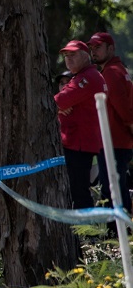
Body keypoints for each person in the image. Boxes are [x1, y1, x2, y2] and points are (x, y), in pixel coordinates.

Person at [55, 39, 109, 214]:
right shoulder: (82, 76)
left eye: (73, 55)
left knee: (79, 192)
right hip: (77, 142)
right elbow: (60, 103)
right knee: (77, 191)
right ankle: (85, 234)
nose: (68, 59)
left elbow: (58, 101)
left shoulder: (87, 77)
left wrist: (59, 106)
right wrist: (59, 108)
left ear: (86, 57)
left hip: (78, 144)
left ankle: (88, 236)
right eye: (66, 56)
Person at [90, 31, 133, 209]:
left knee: (112, 189)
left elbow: (123, 107)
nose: (94, 51)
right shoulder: (120, 70)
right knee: (116, 187)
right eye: (91, 48)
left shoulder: (111, 73)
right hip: (118, 141)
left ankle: (115, 232)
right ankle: (119, 231)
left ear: (111, 48)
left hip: (113, 142)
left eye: (98, 47)